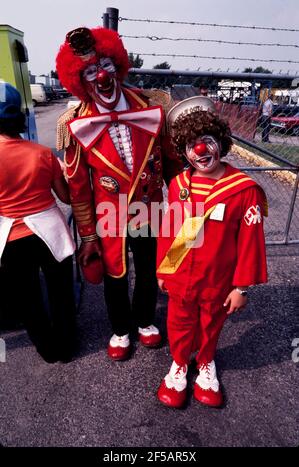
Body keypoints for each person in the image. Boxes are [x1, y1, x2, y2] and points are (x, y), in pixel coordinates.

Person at [56, 26, 181, 361]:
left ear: (119, 65)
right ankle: (121, 328)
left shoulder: (153, 106)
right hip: (107, 214)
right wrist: (87, 237)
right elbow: (79, 188)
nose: (101, 77)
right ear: (79, 79)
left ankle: (144, 320)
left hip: (148, 207)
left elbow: (170, 163)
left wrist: (190, 200)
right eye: (89, 71)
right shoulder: (74, 124)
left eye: (106, 66)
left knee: (147, 265)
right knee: (115, 272)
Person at [156, 96, 268, 408]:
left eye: (206, 141)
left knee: (210, 324)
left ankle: (205, 362)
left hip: (218, 279)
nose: (200, 151)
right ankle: (179, 363)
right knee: (178, 322)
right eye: (191, 145)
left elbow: (251, 242)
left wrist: (241, 286)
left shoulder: (243, 190)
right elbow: (172, 231)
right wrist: (164, 270)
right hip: (181, 277)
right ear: (183, 151)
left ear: (220, 140)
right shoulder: (180, 183)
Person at [0, 82, 77, 363]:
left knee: (28, 299)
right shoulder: (42, 154)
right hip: (50, 233)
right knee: (61, 294)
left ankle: (47, 349)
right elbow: (65, 198)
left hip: (10, 237)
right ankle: (67, 346)